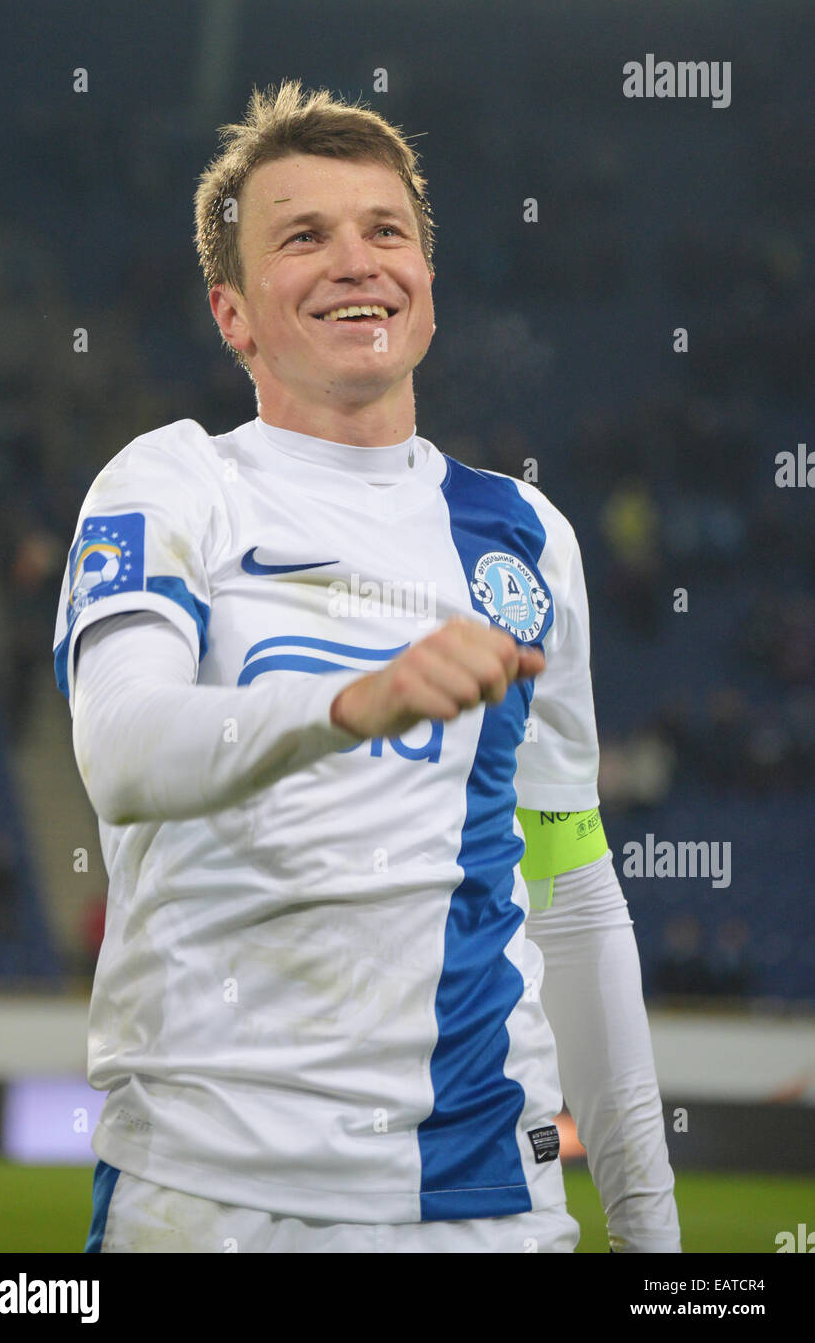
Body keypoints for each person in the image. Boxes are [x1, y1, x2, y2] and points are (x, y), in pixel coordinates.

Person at [53, 80, 680, 1254]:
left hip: (489, 1199)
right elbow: (122, 751)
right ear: (233, 314)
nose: (357, 260)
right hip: (209, 1199)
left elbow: (574, 893)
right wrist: (351, 703)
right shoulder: (174, 482)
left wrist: (653, 1233)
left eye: (386, 231)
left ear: (428, 288)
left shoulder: (526, 536)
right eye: (304, 236)